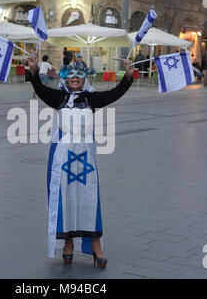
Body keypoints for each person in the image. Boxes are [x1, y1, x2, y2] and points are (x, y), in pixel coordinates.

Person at [27, 51, 134, 268]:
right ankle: (68, 243)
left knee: (89, 199)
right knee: (65, 199)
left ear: (84, 78)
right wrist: (34, 69)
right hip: (62, 160)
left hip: (85, 160)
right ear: (65, 78)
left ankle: (96, 244)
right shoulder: (58, 98)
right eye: (71, 75)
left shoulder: (91, 99)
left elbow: (114, 94)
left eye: (79, 76)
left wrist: (128, 77)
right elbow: (38, 88)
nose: (75, 78)